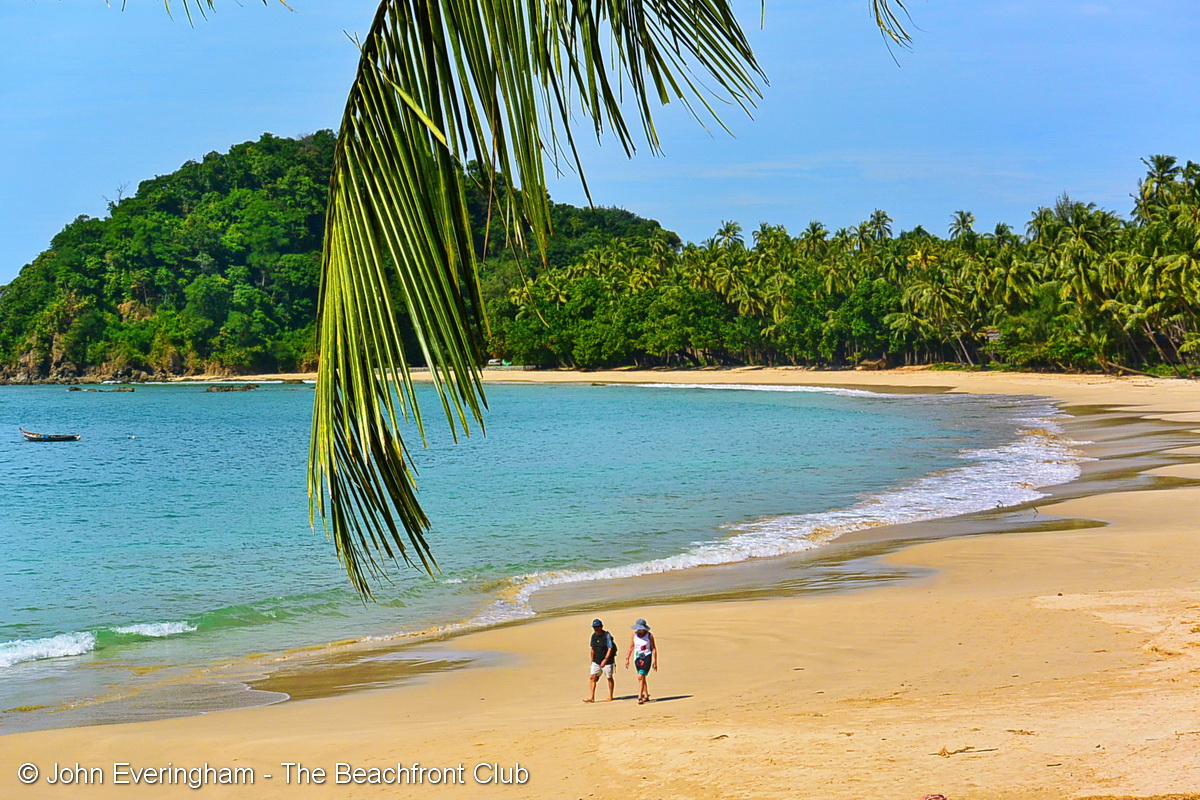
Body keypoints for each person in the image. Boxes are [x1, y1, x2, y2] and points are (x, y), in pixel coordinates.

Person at [624, 618, 657, 704]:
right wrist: (627, 658)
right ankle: (646, 695)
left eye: (640, 628)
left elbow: (653, 648)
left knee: (640, 676)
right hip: (637, 658)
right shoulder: (634, 635)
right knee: (642, 677)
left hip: (646, 657)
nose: (639, 630)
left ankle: (640, 697)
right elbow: (631, 646)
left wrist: (655, 661)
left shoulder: (649, 636)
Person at [584, 618, 616, 703]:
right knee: (592, 677)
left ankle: (610, 696)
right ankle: (591, 697)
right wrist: (592, 661)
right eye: (594, 627)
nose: (596, 629)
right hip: (596, 660)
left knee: (609, 677)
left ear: (601, 626)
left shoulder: (607, 636)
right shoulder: (593, 636)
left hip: (607, 661)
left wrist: (605, 659)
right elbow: (592, 649)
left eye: (597, 627)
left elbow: (610, 648)